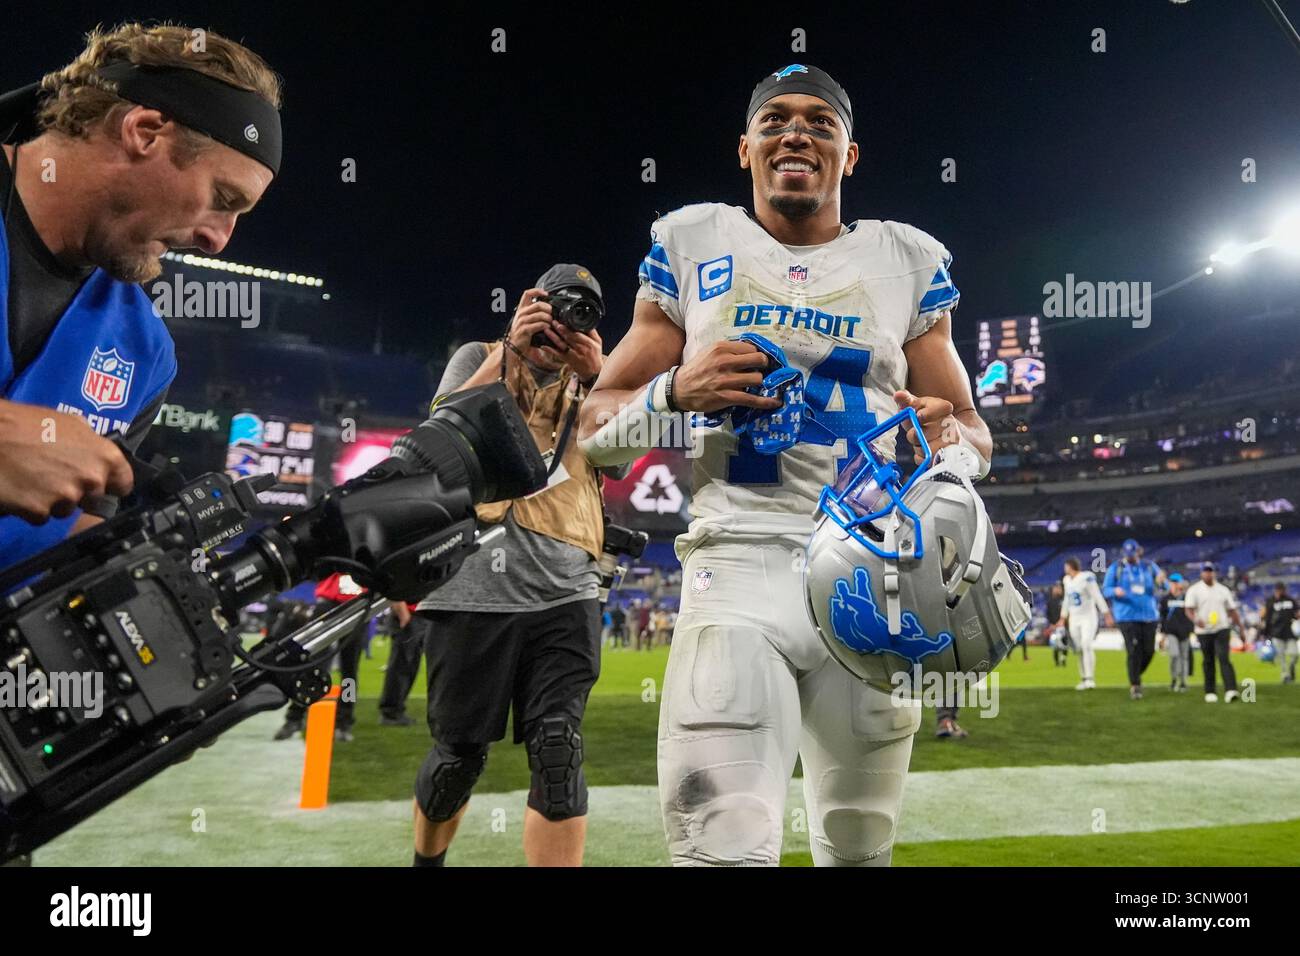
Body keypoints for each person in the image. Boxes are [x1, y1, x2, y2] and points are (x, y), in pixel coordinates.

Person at [580, 64, 990, 866]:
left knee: (859, 848)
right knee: (721, 845)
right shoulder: (695, 241)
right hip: (736, 568)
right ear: (745, 148)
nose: (795, 132)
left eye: (818, 121)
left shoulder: (906, 259)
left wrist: (949, 448)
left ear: (850, 154)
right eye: (773, 120)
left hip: (871, 577)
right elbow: (596, 427)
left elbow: (972, 431)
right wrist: (673, 390)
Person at [0, 23, 280, 570]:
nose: (218, 240)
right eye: (223, 199)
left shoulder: (146, 353)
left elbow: (72, 537)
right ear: (146, 131)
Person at [411, 264, 608, 868]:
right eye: (557, 307)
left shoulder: (598, 383)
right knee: (458, 754)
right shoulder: (479, 354)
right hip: (469, 587)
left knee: (558, 748)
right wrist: (510, 350)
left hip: (567, 591)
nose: (565, 323)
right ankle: (427, 863)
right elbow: (439, 436)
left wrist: (603, 379)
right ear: (531, 305)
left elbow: (621, 454)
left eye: (583, 312)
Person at [273, 572, 370, 742]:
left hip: (358, 606)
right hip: (329, 605)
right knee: (313, 667)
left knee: (349, 671)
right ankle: (295, 716)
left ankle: (343, 720)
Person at [1102, 538, 1164, 700]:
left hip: (1149, 616)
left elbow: (1164, 585)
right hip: (1126, 616)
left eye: (1133, 553)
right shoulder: (1116, 568)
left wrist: (1162, 582)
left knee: (1149, 651)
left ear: (1139, 551)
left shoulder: (1149, 567)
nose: (1130, 556)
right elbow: (1105, 590)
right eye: (1127, 554)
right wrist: (1115, 591)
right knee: (1133, 650)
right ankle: (1135, 685)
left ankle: (1134, 673)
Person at [1183, 562, 1245, 703]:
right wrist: (1195, 620)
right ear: (1201, 573)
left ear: (1214, 573)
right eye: (1205, 571)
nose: (1208, 573)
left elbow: (1232, 610)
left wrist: (1241, 629)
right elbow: (1188, 609)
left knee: (1224, 658)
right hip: (1203, 631)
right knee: (1208, 660)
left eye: (1210, 571)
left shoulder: (1223, 590)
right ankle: (1210, 691)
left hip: (1222, 628)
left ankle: (1231, 690)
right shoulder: (1194, 590)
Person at [1057, 557, 1113, 691]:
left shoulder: (1087, 578)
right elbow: (1066, 600)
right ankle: (1083, 678)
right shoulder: (1067, 580)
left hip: (1088, 617)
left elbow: (1097, 596)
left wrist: (1106, 614)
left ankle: (1090, 678)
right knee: (1079, 649)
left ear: (1070, 566)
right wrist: (1062, 618)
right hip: (1074, 618)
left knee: (1086, 645)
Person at [378, 600, 425, 726]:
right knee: (401, 666)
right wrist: (403, 615)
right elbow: (396, 591)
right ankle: (390, 711)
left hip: (419, 615)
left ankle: (395, 709)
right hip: (409, 615)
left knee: (410, 667)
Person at [1158, 573, 1195, 692]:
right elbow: (1162, 617)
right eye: (1172, 582)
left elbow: (1192, 614)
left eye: (1176, 582)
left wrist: (1192, 630)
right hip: (1171, 632)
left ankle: (1183, 682)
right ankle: (1174, 679)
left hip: (1185, 632)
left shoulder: (1187, 598)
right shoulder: (1165, 599)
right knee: (1174, 655)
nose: (1174, 584)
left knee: (1184, 657)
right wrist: (1163, 634)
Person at [1261, 582, 1298, 684]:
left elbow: (1296, 613)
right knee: (1281, 656)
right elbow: (1266, 617)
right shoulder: (1271, 601)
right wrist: (1265, 633)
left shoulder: (1291, 600)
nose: (1280, 591)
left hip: (1290, 633)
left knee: (1295, 654)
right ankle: (1285, 675)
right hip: (1276, 633)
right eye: (1278, 589)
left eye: (1282, 589)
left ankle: (1291, 668)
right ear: (1275, 590)